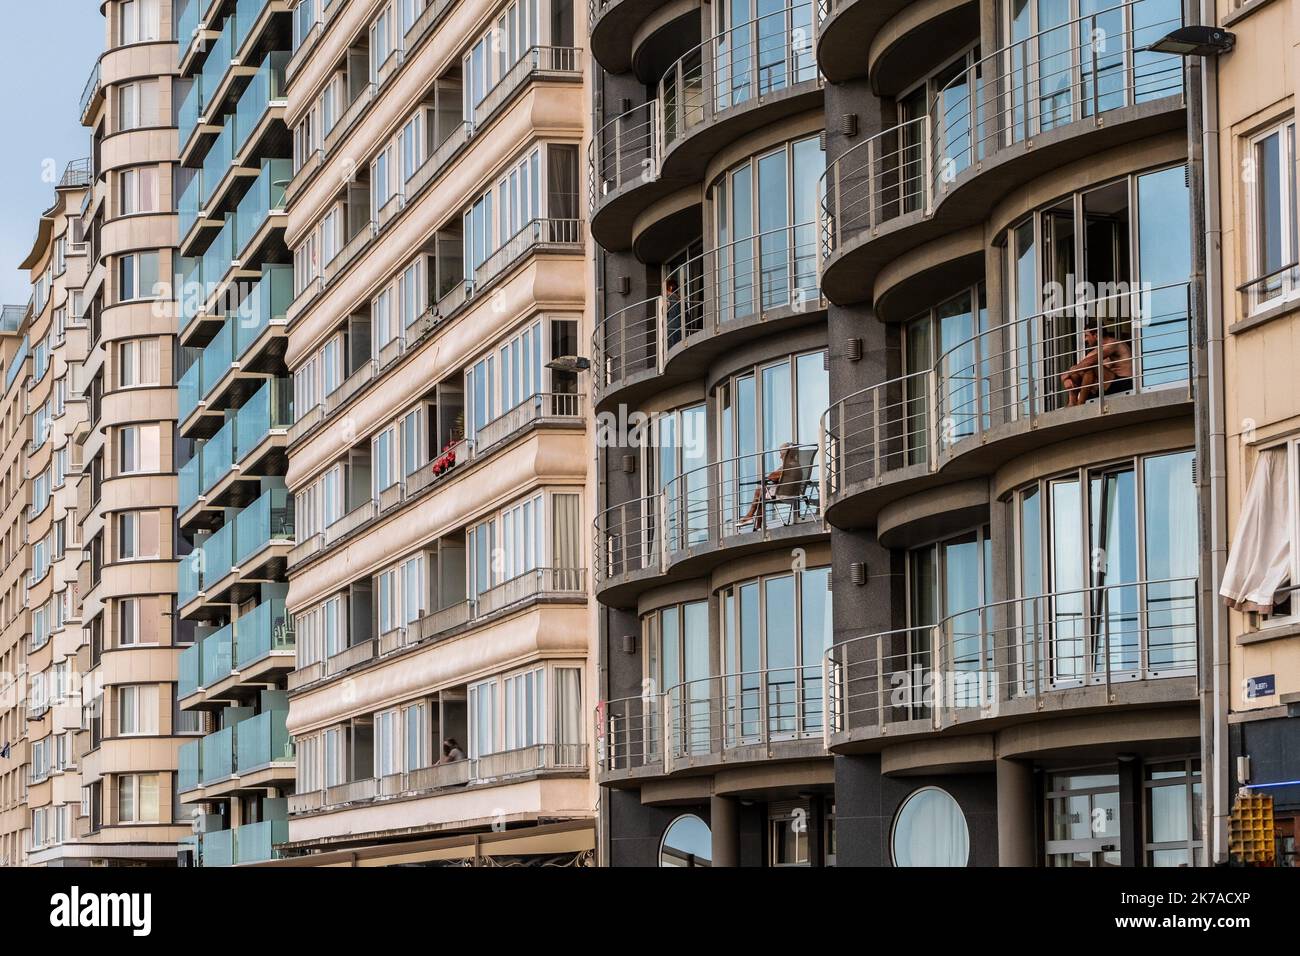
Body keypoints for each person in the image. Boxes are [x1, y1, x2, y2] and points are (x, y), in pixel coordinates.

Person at [1060, 320, 1133, 406]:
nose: (1085, 340)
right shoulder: (1097, 350)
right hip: (1108, 385)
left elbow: (1090, 362)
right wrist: (1066, 378)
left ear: (1096, 335)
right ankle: (1072, 403)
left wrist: (1068, 373)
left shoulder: (1113, 343)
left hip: (1123, 383)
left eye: (1086, 336)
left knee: (1090, 366)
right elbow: (1079, 366)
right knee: (1078, 371)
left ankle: (1080, 404)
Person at [738, 443, 802, 529]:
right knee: (762, 494)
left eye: (781, 454)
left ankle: (750, 518)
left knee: (758, 492)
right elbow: (778, 477)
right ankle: (757, 525)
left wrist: (775, 477)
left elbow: (771, 476)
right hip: (794, 494)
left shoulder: (788, 466)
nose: (780, 457)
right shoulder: (797, 465)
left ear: (786, 454)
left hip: (785, 494)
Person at [664, 276, 682, 348]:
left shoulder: (669, 297)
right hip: (680, 324)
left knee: (671, 348)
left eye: (665, 289)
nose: (664, 292)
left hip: (671, 325)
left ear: (670, 288)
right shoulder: (680, 299)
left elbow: (665, 309)